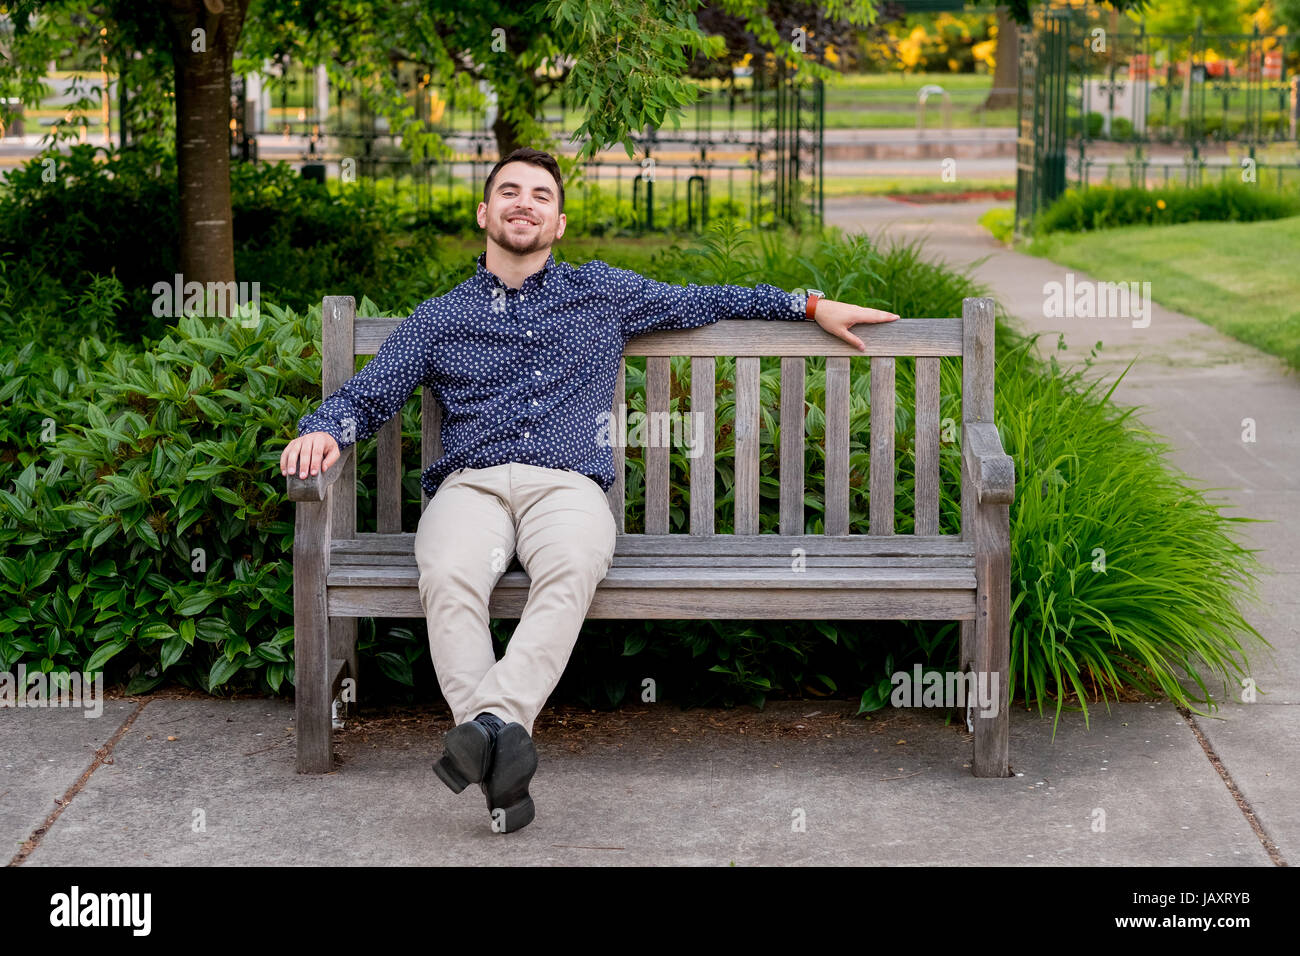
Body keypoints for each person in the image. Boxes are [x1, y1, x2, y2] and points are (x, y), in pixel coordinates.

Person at [279, 147, 898, 833]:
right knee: (449, 570)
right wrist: (324, 430)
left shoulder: (601, 294)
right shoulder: (439, 318)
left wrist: (807, 302)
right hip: (472, 487)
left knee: (572, 563)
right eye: (509, 191)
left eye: (540, 194)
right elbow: (371, 392)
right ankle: (501, 746)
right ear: (485, 213)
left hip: (567, 486)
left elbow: (708, 299)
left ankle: (487, 732)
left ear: (559, 222)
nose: (523, 202)